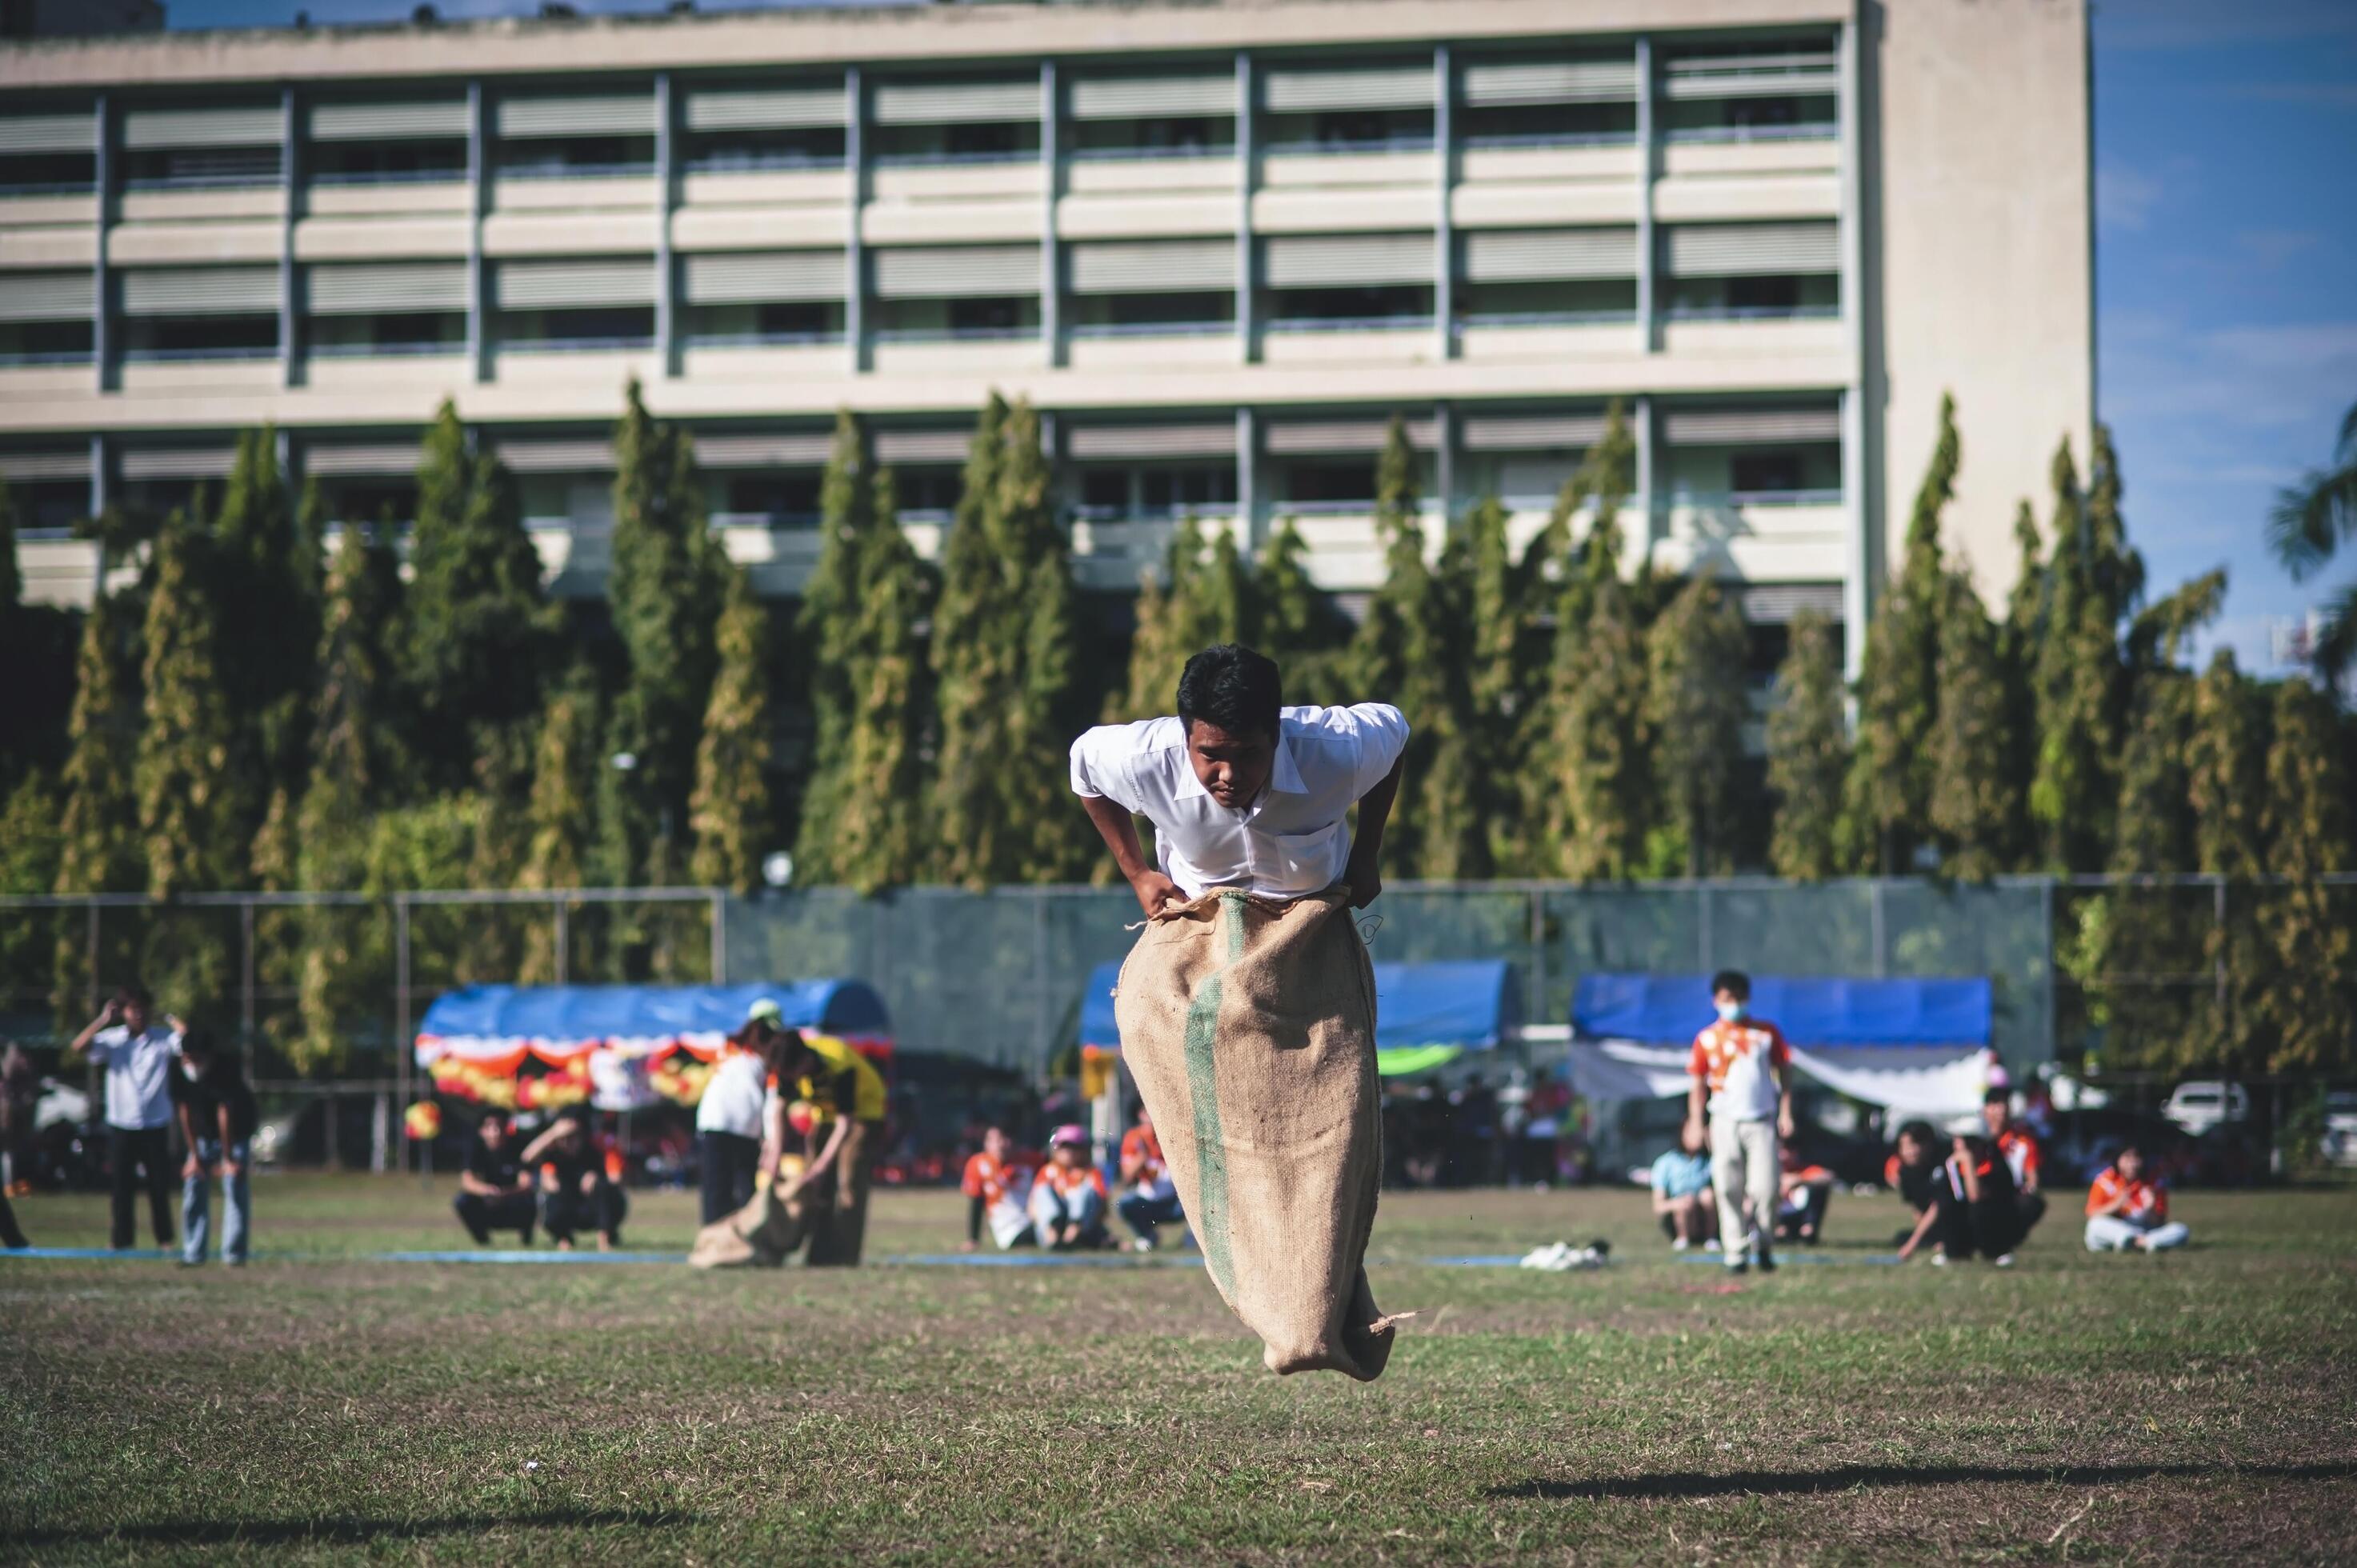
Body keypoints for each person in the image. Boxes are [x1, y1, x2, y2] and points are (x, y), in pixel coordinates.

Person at [1071, 643, 1411, 1379]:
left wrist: (1369, 854)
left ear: (1279, 735)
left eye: (1247, 755)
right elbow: (1081, 766)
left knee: (1337, 1123)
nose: (1226, 775)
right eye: (1209, 755)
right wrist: (1136, 870)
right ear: (1186, 734)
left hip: (1310, 927)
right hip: (1197, 926)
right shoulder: (1146, 756)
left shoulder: (1335, 750)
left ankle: (1330, 1300)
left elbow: (1398, 735)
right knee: (1139, 1020)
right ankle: (1287, 1294)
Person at [1684, 969, 1794, 1275]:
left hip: (1761, 1120)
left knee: (1767, 1187)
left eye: (1739, 997)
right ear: (1716, 1000)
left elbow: (1784, 1072)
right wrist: (1696, 1123)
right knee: (1727, 1186)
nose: (1734, 1004)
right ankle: (1735, 1249)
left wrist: (1786, 1111)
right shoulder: (1706, 1039)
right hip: (1724, 1120)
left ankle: (1765, 1242)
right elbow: (1697, 1084)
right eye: (1727, 998)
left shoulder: (1765, 1033)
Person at [756, 1015, 888, 1267]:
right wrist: (774, 1155)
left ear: (804, 1061)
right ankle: (818, 1253)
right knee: (816, 1188)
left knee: (848, 1181)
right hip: (825, 1115)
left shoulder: (838, 1065)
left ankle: (846, 1256)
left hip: (863, 1113)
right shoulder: (787, 1062)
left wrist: (821, 1166)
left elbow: (845, 1123)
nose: (791, 1080)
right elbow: (778, 1110)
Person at [71, 987, 184, 1252]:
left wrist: (168, 1017)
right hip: (122, 1124)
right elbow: (78, 1046)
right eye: (133, 1009)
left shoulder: (162, 1039)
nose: (139, 1014)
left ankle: (164, 1239)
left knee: (159, 1186)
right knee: (122, 1187)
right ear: (123, 1012)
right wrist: (101, 1020)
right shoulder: (113, 1040)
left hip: (156, 1123)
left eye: (143, 1008)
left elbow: (187, 1040)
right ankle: (122, 1240)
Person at [170, 1032, 257, 1267]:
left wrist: (228, 1159)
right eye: (188, 1058)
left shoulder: (226, 1068)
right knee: (194, 1186)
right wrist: (195, 1158)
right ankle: (193, 1253)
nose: (192, 1064)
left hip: (236, 1132)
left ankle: (234, 1255)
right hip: (201, 1133)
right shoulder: (177, 1068)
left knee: (235, 1187)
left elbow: (224, 1113)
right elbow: (185, 1112)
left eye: (197, 1058)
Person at [695, 1022, 769, 1226]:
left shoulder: (729, 1054)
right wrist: (768, 1137)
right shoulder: (760, 1061)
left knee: (718, 1187)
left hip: (715, 1122)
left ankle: (718, 1236)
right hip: (735, 1125)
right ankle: (736, 1237)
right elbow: (771, 1104)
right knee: (738, 1186)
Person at [1914, 1133, 2025, 1266]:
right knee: (1948, 1206)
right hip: (1964, 1226)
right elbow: (1939, 1204)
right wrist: (1913, 1243)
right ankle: (1956, 1252)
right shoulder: (1950, 1164)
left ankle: (1996, 1252)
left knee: (1980, 1209)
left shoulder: (1994, 1164)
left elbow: (1976, 1197)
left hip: (1992, 1224)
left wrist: (1968, 1162)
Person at [522, 1113, 626, 1250]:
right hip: (568, 1207)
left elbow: (616, 1179)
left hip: (591, 1207)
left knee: (604, 1189)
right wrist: (553, 1133)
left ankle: (605, 1238)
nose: (567, 1142)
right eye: (563, 1138)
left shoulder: (594, 1150)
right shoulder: (553, 1154)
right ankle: (563, 1238)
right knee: (552, 1198)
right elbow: (526, 1157)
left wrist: (597, 1177)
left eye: (572, 1137)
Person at [2084, 1142, 2190, 1252]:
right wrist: (2116, 1205)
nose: (2133, 1164)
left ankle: (2140, 1242)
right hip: (2117, 1229)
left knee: (2181, 1230)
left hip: (2145, 1230)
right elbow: (2091, 1213)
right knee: (2095, 1225)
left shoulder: (2154, 1183)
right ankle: (2133, 1240)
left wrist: (2150, 1209)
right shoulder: (2105, 1180)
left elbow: (2159, 1222)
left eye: (2136, 1157)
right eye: (2127, 1157)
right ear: (2117, 1159)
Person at [454, 1111, 537, 1246]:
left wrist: (504, 1193)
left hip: (512, 1200)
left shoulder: (519, 1147)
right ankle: (482, 1240)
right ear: (481, 1131)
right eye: (489, 1127)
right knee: (462, 1201)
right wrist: (488, 1191)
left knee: (530, 1200)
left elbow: (526, 1183)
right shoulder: (475, 1148)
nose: (495, 1132)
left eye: (499, 1126)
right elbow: (467, 1181)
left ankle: (526, 1239)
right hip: (486, 1201)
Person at [1027, 1125, 1110, 1250]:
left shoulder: (1091, 1173)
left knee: (1084, 1191)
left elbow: (1102, 1207)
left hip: (1083, 1226)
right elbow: (1033, 1206)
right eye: (1064, 1147)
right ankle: (1053, 1238)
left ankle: (1070, 1237)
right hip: (1050, 1226)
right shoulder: (1048, 1171)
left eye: (1074, 1147)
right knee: (1042, 1190)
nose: (1068, 1152)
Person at [1116, 1103, 1186, 1251]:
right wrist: (1142, 1157)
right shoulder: (1134, 1137)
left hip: (1175, 1201)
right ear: (1140, 1114)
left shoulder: (1175, 1134)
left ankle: (1192, 1237)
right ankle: (1146, 1235)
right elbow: (1127, 1178)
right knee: (1126, 1203)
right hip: (1148, 1199)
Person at [1983, 1086, 2047, 1242]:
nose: (2001, 1109)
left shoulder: (2023, 1141)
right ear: (1985, 1109)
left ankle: (2009, 1237)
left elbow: (2032, 1177)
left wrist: (2029, 1189)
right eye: (1995, 1104)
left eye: (2005, 1103)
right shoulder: (1975, 1138)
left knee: (2032, 1203)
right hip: (1981, 1194)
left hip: (2010, 1195)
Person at [961, 1126, 1038, 1250]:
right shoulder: (979, 1164)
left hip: (1035, 1221)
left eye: (1005, 1138)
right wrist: (973, 1239)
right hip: (1011, 1229)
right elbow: (976, 1203)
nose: (1001, 1145)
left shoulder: (1031, 1159)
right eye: (996, 1140)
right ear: (986, 1144)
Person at [1648, 1121, 1718, 1251]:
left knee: (1707, 1195)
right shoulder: (1666, 1163)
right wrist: (1678, 1203)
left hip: (1702, 1216)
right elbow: (1658, 1206)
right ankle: (1682, 1238)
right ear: (1681, 1133)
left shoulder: (1707, 1162)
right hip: (1678, 1217)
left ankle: (1711, 1237)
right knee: (1688, 1199)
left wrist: (1711, 1145)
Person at [1775, 1145, 1835, 1246]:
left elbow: (1828, 1177)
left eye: (1788, 1151)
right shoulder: (1772, 1172)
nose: (1783, 1155)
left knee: (1817, 1188)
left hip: (1800, 1215)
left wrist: (1799, 1180)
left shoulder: (1804, 1169)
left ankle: (1808, 1229)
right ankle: (1778, 1229)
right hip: (1781, 1214)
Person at [2, 1042, 36, 1197]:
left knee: (21, 1150)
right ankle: (9, 1185)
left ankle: (19, 1185)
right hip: (8, 1111)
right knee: (9, 1151)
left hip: (21, 1111)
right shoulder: (9, 1063)